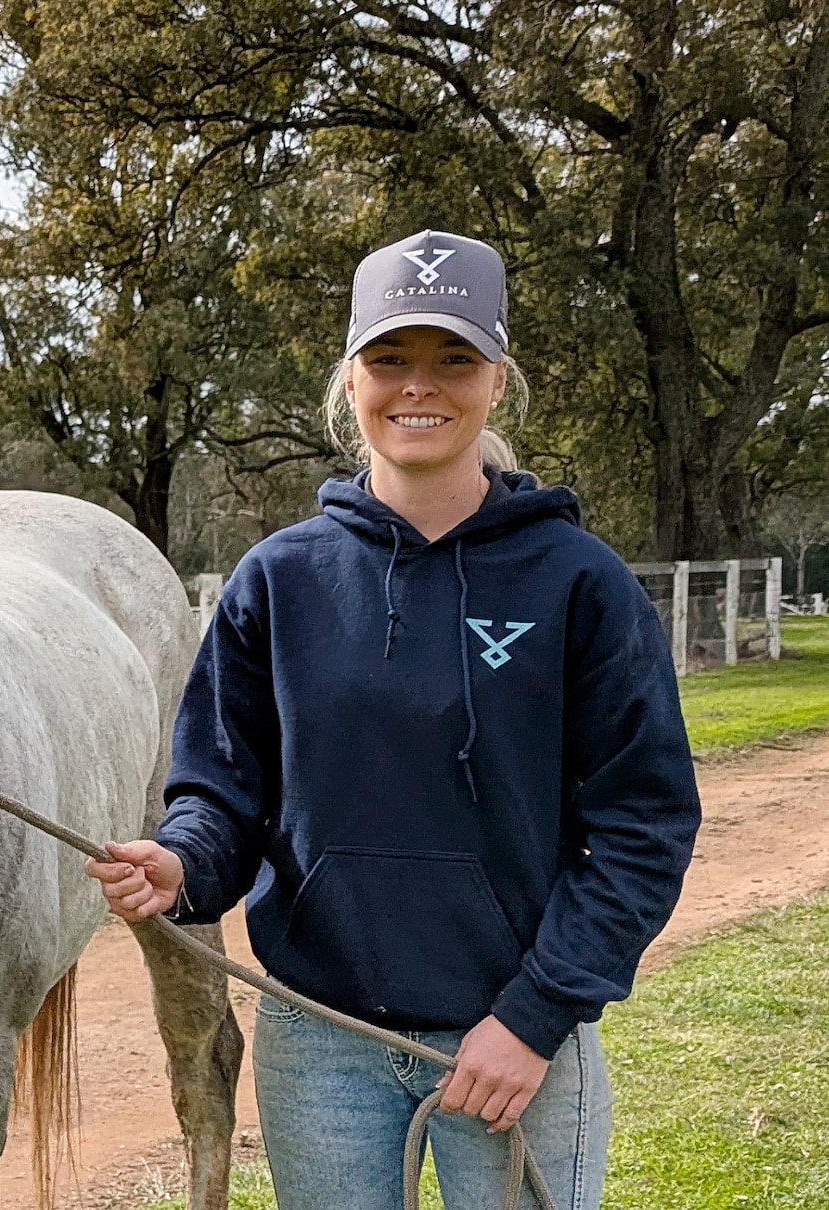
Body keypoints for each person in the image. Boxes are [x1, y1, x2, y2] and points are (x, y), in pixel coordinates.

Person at [85, 230, 700, 1209]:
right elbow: (221, 792)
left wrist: (534, 1016)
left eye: (453, 358)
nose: (419, 385)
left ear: (496, 380)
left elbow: (644, 822)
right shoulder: (276, 582)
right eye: (389, 357)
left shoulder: (580, 583)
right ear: (350, 378)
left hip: (513, 1051)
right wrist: (181, 861)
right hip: (320, 1045)